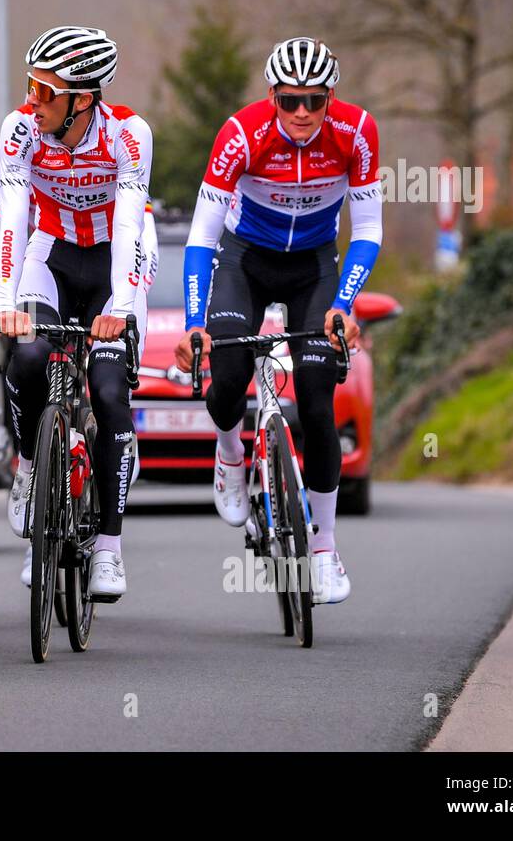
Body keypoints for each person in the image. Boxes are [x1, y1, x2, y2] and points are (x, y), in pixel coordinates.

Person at [174, 36, 382, 605]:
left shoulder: (357, 131)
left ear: (330, 97)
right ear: (272, 95)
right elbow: (201, 237)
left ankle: (325, 549)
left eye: (315, 101)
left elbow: (366, 231)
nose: (302, 114)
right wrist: (196, 320)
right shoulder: (240, 134)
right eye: (289, 100)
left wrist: (344, 304)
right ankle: (230, 453)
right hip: (246, 262)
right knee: (229, 378)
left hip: (315, 268)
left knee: (318, 402)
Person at [0, 26, 152, 599]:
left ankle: (109, 547)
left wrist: (123, 308)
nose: (31, 101)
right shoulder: (20, 130)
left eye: (45, 92)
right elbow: (9, 216)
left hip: (115, 258)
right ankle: (31, 466)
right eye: (30, 86)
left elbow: (132, 224)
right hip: (52, 252)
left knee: (108, 392)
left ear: (82, 99)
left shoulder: (129, 135)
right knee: (29, 357)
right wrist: (5, 303)